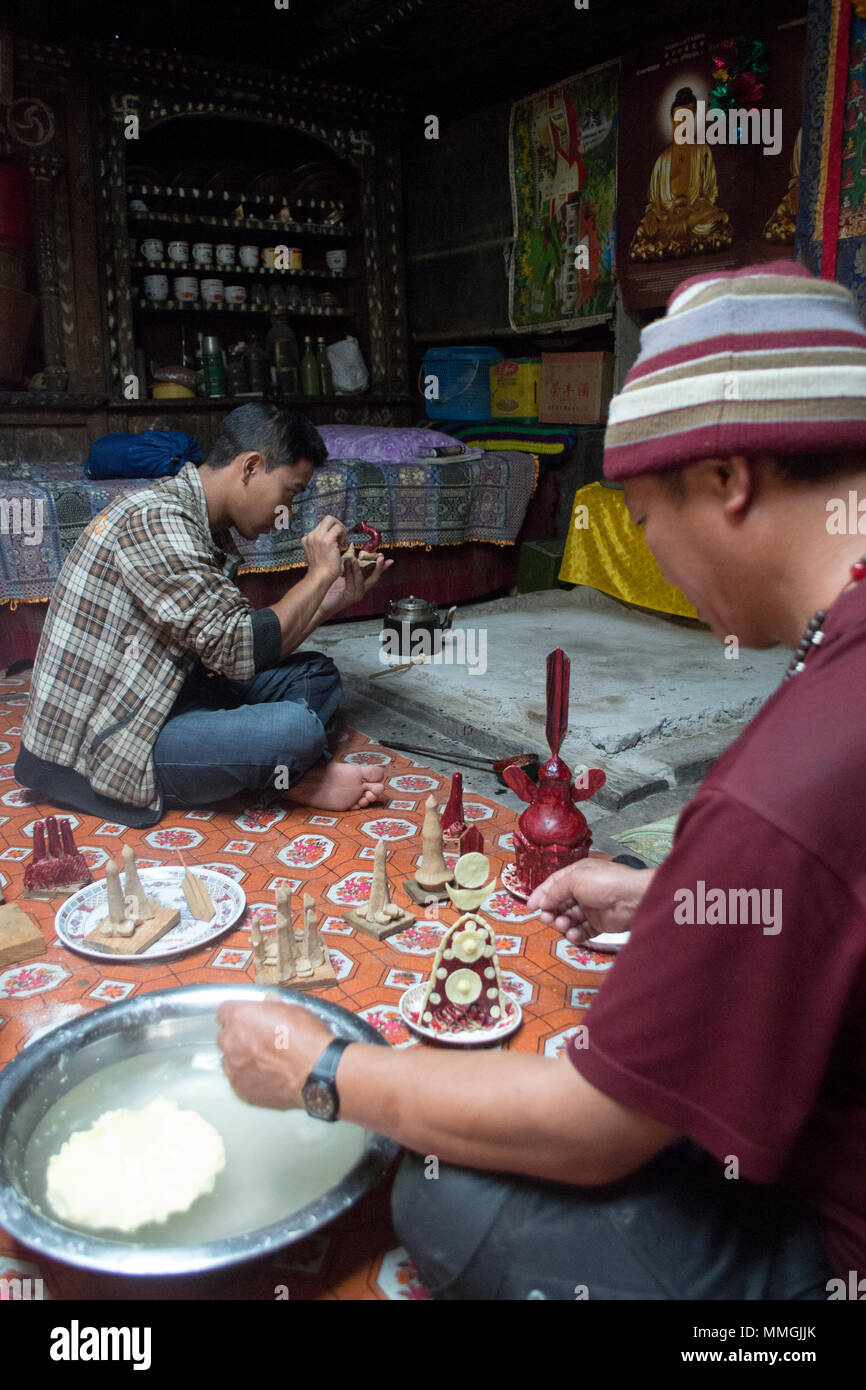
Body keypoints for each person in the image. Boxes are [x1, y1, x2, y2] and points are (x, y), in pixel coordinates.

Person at [217, 260, 866, 1300]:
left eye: (644, 518)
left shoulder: (792, 764)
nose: (652, 555)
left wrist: (324, 1074)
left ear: (725, 479)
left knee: (448, 1196)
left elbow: (597, 1130)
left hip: (830, 1254)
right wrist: (673, 892)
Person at [15, 403, 392, 828]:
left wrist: (330, 600)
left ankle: (276, 771)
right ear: (250, 467)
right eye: (290, 491)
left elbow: (238, 647)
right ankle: (290, 774)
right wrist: (319, 573)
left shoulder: (194, 519)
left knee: (314, 677)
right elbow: (239, 650)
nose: (286, 511)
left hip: (167, 691)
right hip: (111, 742)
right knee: (294, 729)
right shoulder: (156, 519)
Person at [629, 87, 732, 262]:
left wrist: (689, 212)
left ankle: (679, 237)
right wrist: (652, 217)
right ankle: (679, 237)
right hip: (668, 219)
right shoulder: (663, 159)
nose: (683, 125)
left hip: (693, 216)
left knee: (715, 219)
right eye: (679, 119)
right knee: (643, 230)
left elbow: (710, 193)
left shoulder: (702, 150)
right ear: (671, 119)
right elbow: (653, 204)